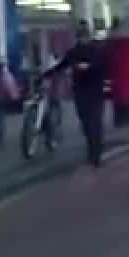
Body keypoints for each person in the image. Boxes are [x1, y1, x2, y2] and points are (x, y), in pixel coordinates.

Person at [44, 21, 107, 167]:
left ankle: (95, 155)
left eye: (84, 36)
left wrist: (90, 67)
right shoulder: (73, 52)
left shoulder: (97, 50)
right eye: (80, 36)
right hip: (81, 91)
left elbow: (103, 67)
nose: (83, 39)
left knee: (95, 122)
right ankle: (93, 150)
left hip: (94, 90)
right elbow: (62, 65)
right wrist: (47, 74)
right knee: (86, 123)